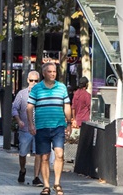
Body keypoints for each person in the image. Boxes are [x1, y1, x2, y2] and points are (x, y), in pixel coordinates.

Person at [28, 61, 74, 195]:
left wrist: (69, 123)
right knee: (44, 157)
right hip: (42, 126)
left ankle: (57, 183)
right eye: (50, 71)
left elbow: (66, 105)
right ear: (43, 73)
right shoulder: (36, 89)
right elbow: (29, 107)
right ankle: (46, 186)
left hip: (58, 126)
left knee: (59, 154)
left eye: (54, 71)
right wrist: (31, 124)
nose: (53, 74)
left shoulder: (61, 87)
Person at [12, 70, 42, 185]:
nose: (33, 83)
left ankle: (36, 177)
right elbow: (14, 108)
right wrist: (19, 120)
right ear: (27, 80)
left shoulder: (42, 94)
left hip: (39, 128)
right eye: (31, 80)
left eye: (36, 81)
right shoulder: (22, 94)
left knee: (39, 153)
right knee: (23, 153)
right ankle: (22, 169)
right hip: (25, 129)